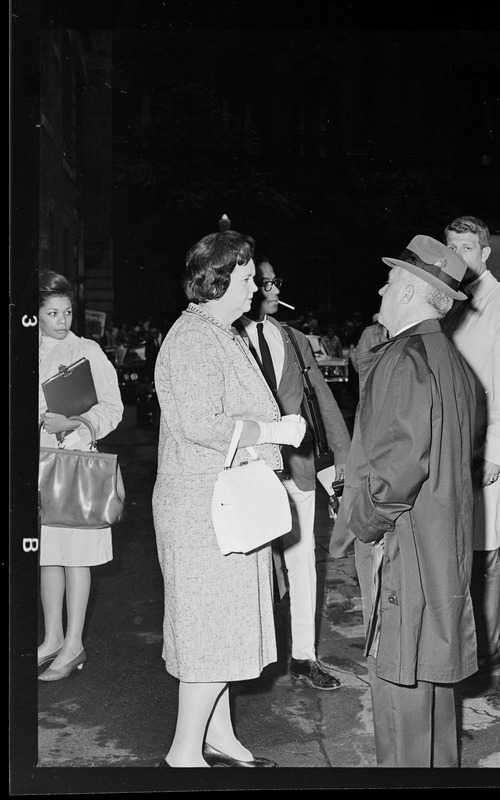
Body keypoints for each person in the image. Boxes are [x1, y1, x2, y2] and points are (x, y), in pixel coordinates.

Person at [152, 230, 306, 767]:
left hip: (224, 505)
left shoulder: (221, 330)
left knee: (223, 625)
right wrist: (273, 432)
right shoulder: (195, 336)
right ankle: (183, 753)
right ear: (217, 282)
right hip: (204, 510)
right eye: (244, 281)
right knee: (210, 630)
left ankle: (220, 736)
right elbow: (200, 423)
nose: (255, 290)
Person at [330, 235, 479, 767]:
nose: (381, 288)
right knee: (432, 681)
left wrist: (364, 524)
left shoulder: (405, 357)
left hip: (404, 545)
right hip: (442, 541)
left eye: (392, 281)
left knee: (398, 687)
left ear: (414, 292)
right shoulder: (452, 360)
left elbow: (398, 469)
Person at [234, 255, 351, 691]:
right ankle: (249, 659)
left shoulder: (295, 339)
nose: (275, 292)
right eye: (265, 284)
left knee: (303, 563)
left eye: (274, 282)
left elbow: (319, 399)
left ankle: (304, 656)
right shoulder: (225, 340)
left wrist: (344, 461)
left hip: (298, 467)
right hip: (248, 473)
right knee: (251, 566)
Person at [442, 215, 500, 671]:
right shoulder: (454, 302)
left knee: (484, 552)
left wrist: (497, 455)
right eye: (451, 246)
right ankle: (461, 645)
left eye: (467, 248)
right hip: (453, 449)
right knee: (458, 549)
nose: (458, 255)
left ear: (485, 253)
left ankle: (486, 650)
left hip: (483, 454)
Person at [37, 271, 125, 681]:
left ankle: (74, 643)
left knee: (76, 556)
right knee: (46, 555)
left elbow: (112, 406)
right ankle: (52, 637)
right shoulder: (25, 351)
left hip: (73, 462)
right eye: (52, 312)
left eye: (67, 311)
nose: (62, 320)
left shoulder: (87, 350)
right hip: (36, 464)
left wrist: (74, 423)